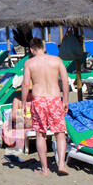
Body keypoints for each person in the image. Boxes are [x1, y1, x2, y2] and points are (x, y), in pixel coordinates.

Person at [19, 37, 71, 176]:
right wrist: (65, 100)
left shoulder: (29, 63)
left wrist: (23, 103)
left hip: (39, 100)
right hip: (54, 98)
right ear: (44, 47)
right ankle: (61, 164)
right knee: (60, 133)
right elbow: (65, 81)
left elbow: (25, 84)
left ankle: (44, 169)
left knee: (40, 135)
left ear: (31, 49)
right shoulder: (57, 60)